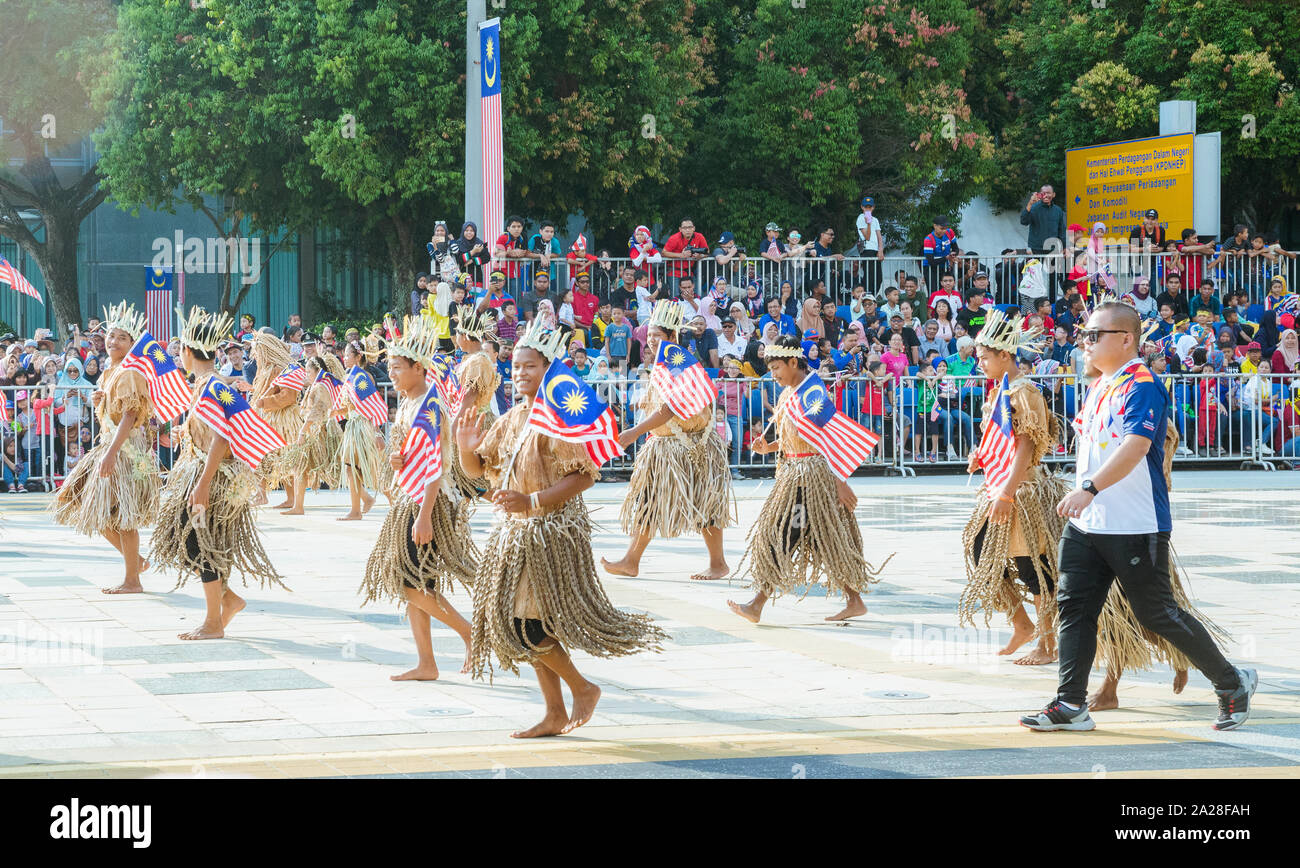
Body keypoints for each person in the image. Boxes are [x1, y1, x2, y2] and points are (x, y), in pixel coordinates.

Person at [1020, 302, 1258, 732]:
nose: (1085, 342)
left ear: (1125, 339)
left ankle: (1231, 682)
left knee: (1156, 614)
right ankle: (1070, 704)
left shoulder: (1142, 385)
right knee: (1073, 608)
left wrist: (1089, 489)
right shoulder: (1101, 384)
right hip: (1088, 524)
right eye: (1084, 334)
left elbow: (1135, 447)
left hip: (1134, 523)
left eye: (1095, 335)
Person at [456, 323, 666, 737]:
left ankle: (582, 688)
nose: (520, 373)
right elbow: (477, 473)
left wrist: (531, 501)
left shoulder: (556, 418)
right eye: (515, 366)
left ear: (548, 368)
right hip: (515, 534)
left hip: (549, 533)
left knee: (528, 625)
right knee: (524, 625)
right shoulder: (511, 418)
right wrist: (464, 446)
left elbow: (585, 475)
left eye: (529, 366)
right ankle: (554, 711)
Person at [727, 334, 891, 624]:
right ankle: (853, 601)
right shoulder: (791, 390)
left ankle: (757, 604)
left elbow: (828, 440)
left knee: (782, 535)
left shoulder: (813, 392)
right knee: (823, 539)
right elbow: (797, 439)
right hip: (796, 476)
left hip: (812, 481)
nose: (773, 374)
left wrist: (839, 482)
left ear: (793, 362)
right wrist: (771, 447)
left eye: (777, 368)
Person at [150, 307, 285, 640]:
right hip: (205, 473)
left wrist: (203, 484)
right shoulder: (208, 384)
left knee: (199, 542)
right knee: (185, 540)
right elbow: (212, 431)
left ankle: (214, 621)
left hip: (212, 477)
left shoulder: (211, 385)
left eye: (179, 349)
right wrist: (188, 433)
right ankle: (228, 601)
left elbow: (223, 437)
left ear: (187, 351)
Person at [360, 315, 476, 680]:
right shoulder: (411, 402)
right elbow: (413, 456)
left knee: (409, 584)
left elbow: (435, 466)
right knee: (418, 583)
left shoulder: (429, 406)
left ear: (418, 368)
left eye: (396, 368)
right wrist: (396, 458)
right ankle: (427, 662)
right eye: (390, 368)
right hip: (408, 500)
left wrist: (424, 515)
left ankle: (469, 632)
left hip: (424, 503)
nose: (391, 375)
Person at [958, 309, 1066, 665]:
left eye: (985, 358)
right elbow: (999, 442)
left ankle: (1047, 644)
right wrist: (980, 455)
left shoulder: (1025, 393)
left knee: (1033, 566)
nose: (981, 365)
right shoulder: (1000, 392)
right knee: (980, 551)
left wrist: (1007, 493)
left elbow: (1026, 446)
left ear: (1005, 355)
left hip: (1021, 492)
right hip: (999, 488)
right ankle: (1022, 623)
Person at [603, 301, 735, 581]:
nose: (651, 340)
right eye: (649, 335)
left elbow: (670, 408)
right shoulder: (669, 359)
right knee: (649, 502)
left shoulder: (676, 360)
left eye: (657, 336)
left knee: (706, 504)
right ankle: (631, 560)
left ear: (672, 336)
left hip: (689, 445)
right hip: (671, 446)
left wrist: (633, 432)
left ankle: (718, 563)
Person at [52, 303, 160, 594]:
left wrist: (111, 453)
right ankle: (134, 562)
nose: (113, 341)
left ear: (131, 344)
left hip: (123, 449)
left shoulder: (130, 372)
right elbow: (114, 408)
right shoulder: (110, 370)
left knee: (124, 517)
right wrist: (101, 398)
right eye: (111, 336)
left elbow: (129, 414)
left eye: (122, 338)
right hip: (109, 445)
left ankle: (132, 579)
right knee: (91, 508)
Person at [280, 352, 345, 516]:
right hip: (315, 432)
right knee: (300, 466)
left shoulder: (320, 387)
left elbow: (316, 411)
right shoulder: (315, 386)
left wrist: (303, 431)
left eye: (309, 372)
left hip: (319, 433)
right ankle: (298, 506)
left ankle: (366, 498)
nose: (306, 375)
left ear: (317, 371)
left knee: (347, 467)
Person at [249, 332, 304, 509]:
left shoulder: (281, 369)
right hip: (268, 418)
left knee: (285, 458)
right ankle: (261, 494)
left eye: (257, 351)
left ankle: (291, 498)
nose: (255, 355)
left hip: (283, 419)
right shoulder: (266, 370)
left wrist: (265, 402)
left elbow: (288, 396)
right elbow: (266, 392)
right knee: (261, 456)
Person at [336, 341, 388, 521]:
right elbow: (351, 406)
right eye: (344, 355)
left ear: (358, 357)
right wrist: (337, 412)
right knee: (352, 468)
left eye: (348, 355)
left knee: (373, 469)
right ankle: (357, 508)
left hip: (363, 427)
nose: (344, 358)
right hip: (354, 426)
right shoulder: (351, 376)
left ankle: (395, 501)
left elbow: (371, 407)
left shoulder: (362, 377)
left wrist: (376, 433)